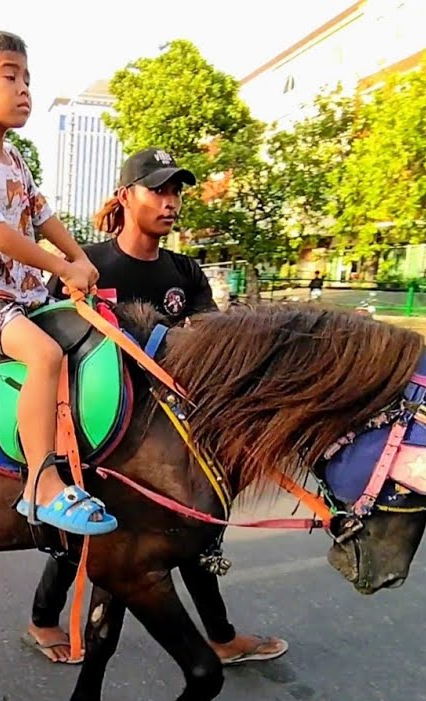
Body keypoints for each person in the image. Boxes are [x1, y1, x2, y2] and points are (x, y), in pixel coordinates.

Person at [22, 148, 289, 666]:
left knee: (194, 524)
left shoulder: (185, 273)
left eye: (176, 192)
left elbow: (211, 344)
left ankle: (220, 635)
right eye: (158, 190)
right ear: (126, 196)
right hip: (99, 421)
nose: (171, 202)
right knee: (86, 526)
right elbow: (49, 330)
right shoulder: (88, 264)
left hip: (170, 428)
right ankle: (41, 619)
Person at [0, 30, 116, 536]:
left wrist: (83, 259)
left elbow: (44, 218)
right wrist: (64, 268)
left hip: (25, 296)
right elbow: (1, 235)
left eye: (28, 80)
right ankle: (40, 481)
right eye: (10, 77)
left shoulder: (15, 161)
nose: (24, 90)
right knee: (44, 354)